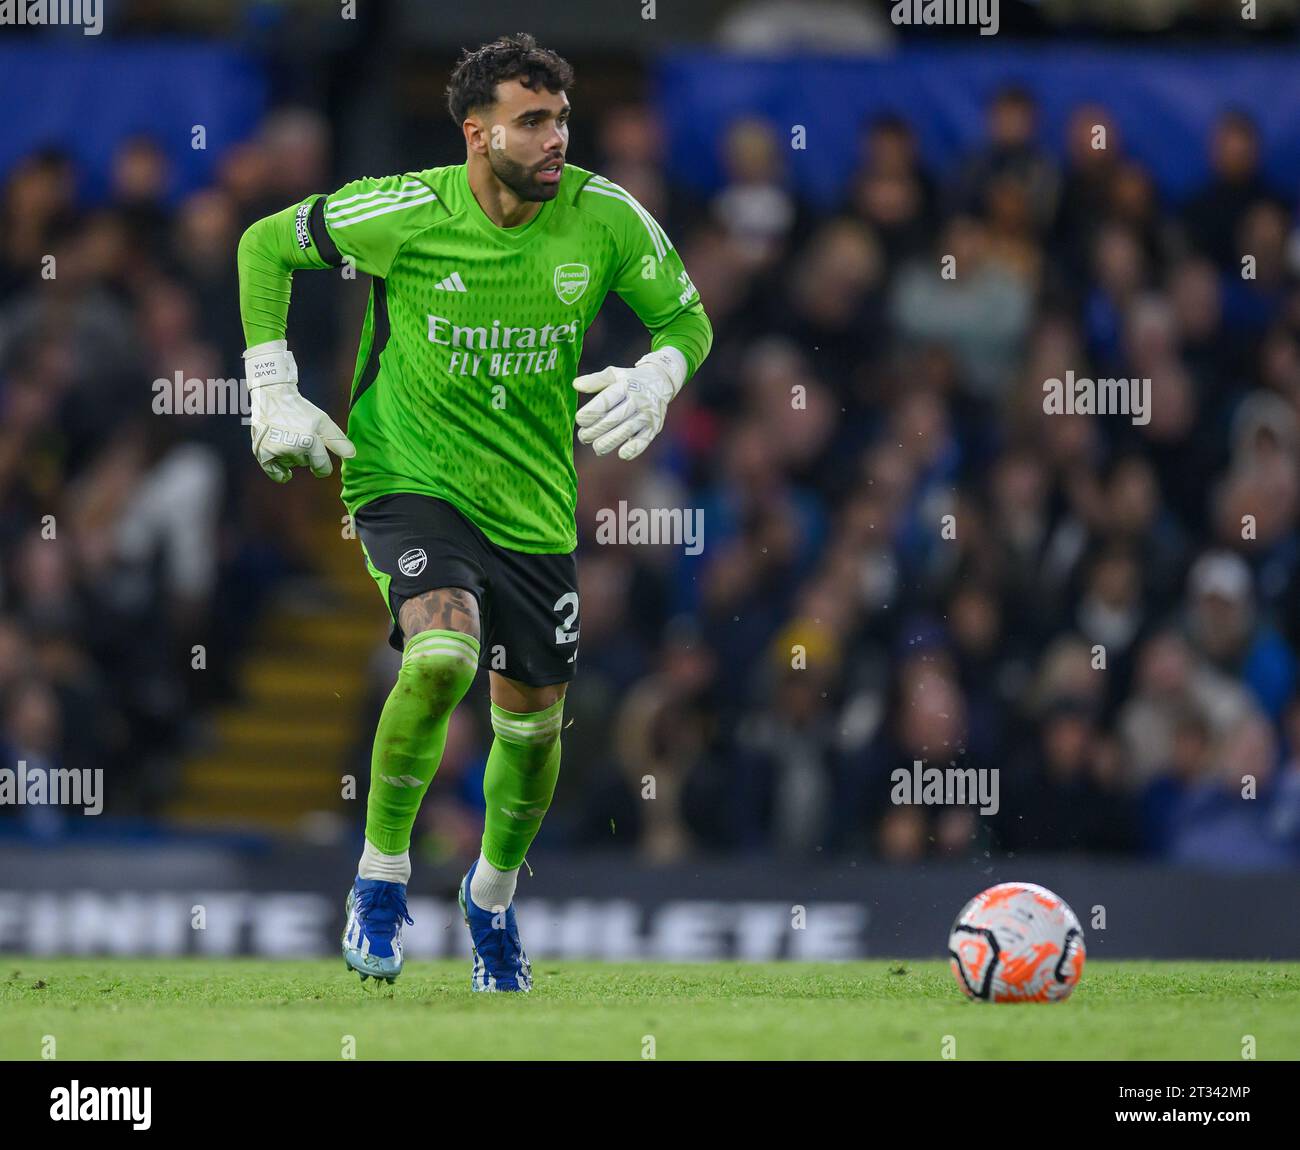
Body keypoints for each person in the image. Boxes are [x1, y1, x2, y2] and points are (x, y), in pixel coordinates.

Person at [234, 33, 712, 991]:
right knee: (443, 654)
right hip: (408, 476)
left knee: (533, 739)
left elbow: (686, 319)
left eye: (562, 120)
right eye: (533, 121)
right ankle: (379, 877)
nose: (555, 139)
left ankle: (489, 901)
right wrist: (272, 385)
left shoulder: (605, 217)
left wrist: (663, 374)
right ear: (477, 131)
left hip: (532, 508)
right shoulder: (407, 209)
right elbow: (264, 245)